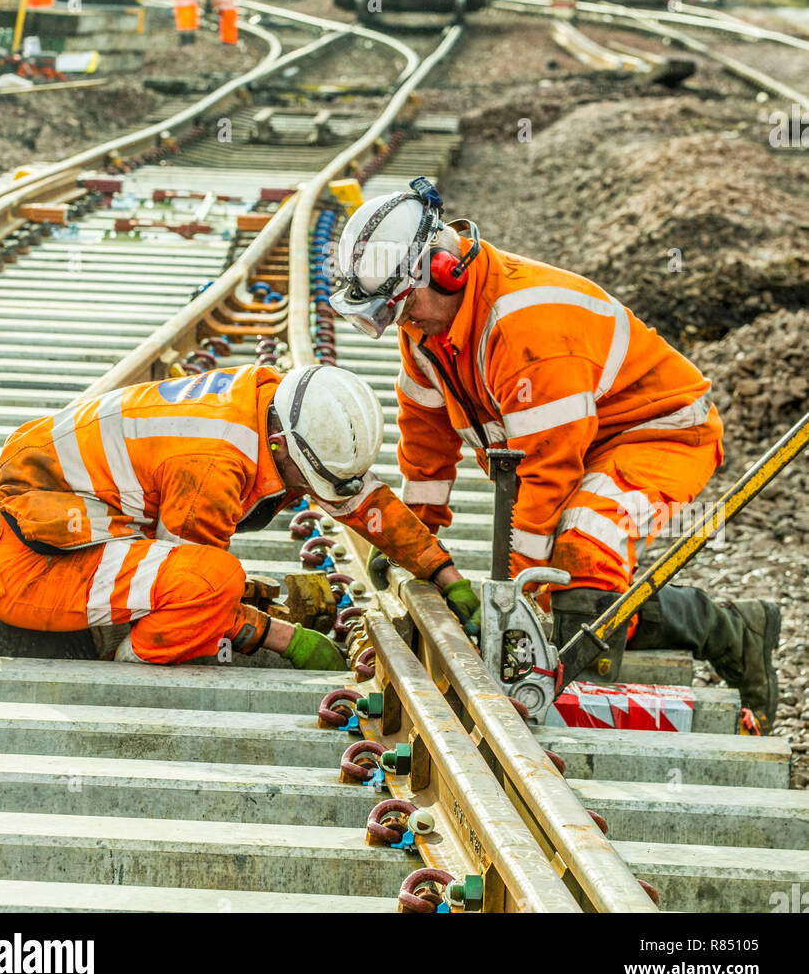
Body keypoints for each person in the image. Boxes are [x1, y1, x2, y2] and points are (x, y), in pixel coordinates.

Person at [328, 177, 781, 730]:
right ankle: (592, 628)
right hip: (576, 439)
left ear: (445, 270)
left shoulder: (526, 328)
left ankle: (733, 631)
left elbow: (546, 473)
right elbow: (426, 428)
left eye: (402, 305)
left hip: (657, 434)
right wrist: (418, 532)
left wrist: (518, 603)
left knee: (580, 573)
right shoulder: (430, 326)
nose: (401, 321)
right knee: (563, 586)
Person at [0, 364, 479, 670]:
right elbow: (203, 591)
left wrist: (439, 569)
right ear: (280, 446)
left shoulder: (269, 403)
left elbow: (354, 496)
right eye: (304, 481)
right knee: (216, 580)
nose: (308, 494)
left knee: (210, 582)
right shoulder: (212, 466)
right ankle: (128, 668)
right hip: (30, 569)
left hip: (69, 534)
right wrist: (287, 639)